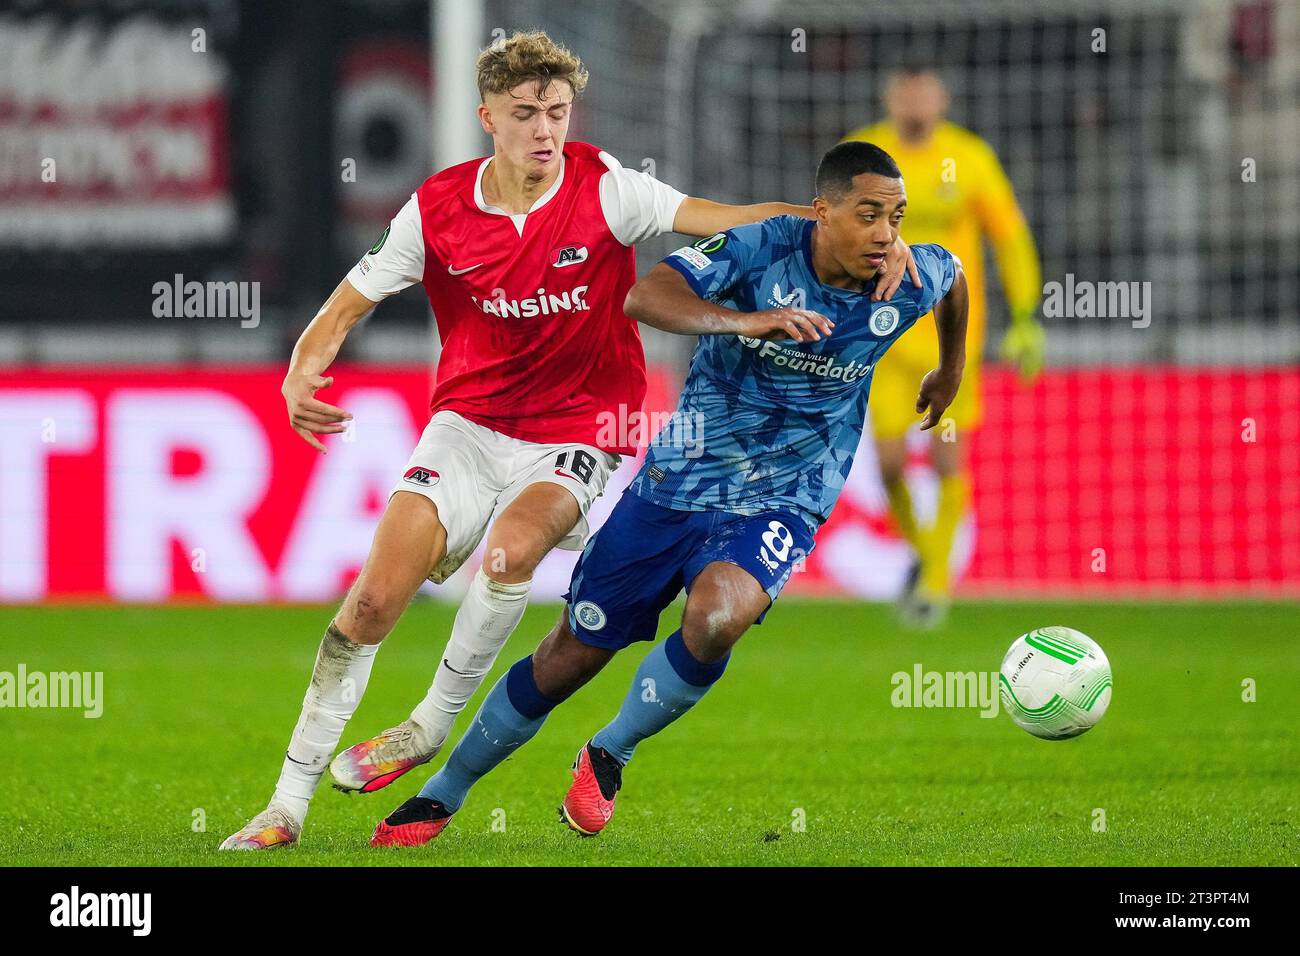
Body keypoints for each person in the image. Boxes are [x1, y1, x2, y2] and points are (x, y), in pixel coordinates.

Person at [219, 32, 917, 850]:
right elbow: (344, 305)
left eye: (556, 111)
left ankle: (427, 728)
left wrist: (855, 229)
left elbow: (730, 219)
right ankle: (284, 807)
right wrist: (301, 372)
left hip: (579, 433)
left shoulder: (607, 189)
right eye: (525, 114)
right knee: (370, 605)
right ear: (487, 118)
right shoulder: (438, 208)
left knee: (512, 556)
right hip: (468, 426)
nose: (545, 129)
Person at [367, 140, 968, 847]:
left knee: (717, 618)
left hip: (787, 493)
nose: (885, 233)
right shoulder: (761, 249)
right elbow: (646, 295)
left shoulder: (907, 276)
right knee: (572, 652)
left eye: (895, 217)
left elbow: (954, 276)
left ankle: (609, 752)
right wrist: (745, 319)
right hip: (677, 483)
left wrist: (950, 368)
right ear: (822, 212)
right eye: (868, 215)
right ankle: (443, 793)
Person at [842, 66, 1042, 625]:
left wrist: (1026, 315)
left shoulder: (970, 157)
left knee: (947, 457)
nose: (915, 100)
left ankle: (932, 584)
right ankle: (927, 558)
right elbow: (828, 231)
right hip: (879, 333)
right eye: (905, 89)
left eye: (925, 89)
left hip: (950, 338)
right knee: (887, 466)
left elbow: (1009, 235)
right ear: (890, 96)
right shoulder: (865, 151)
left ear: (942, 97)